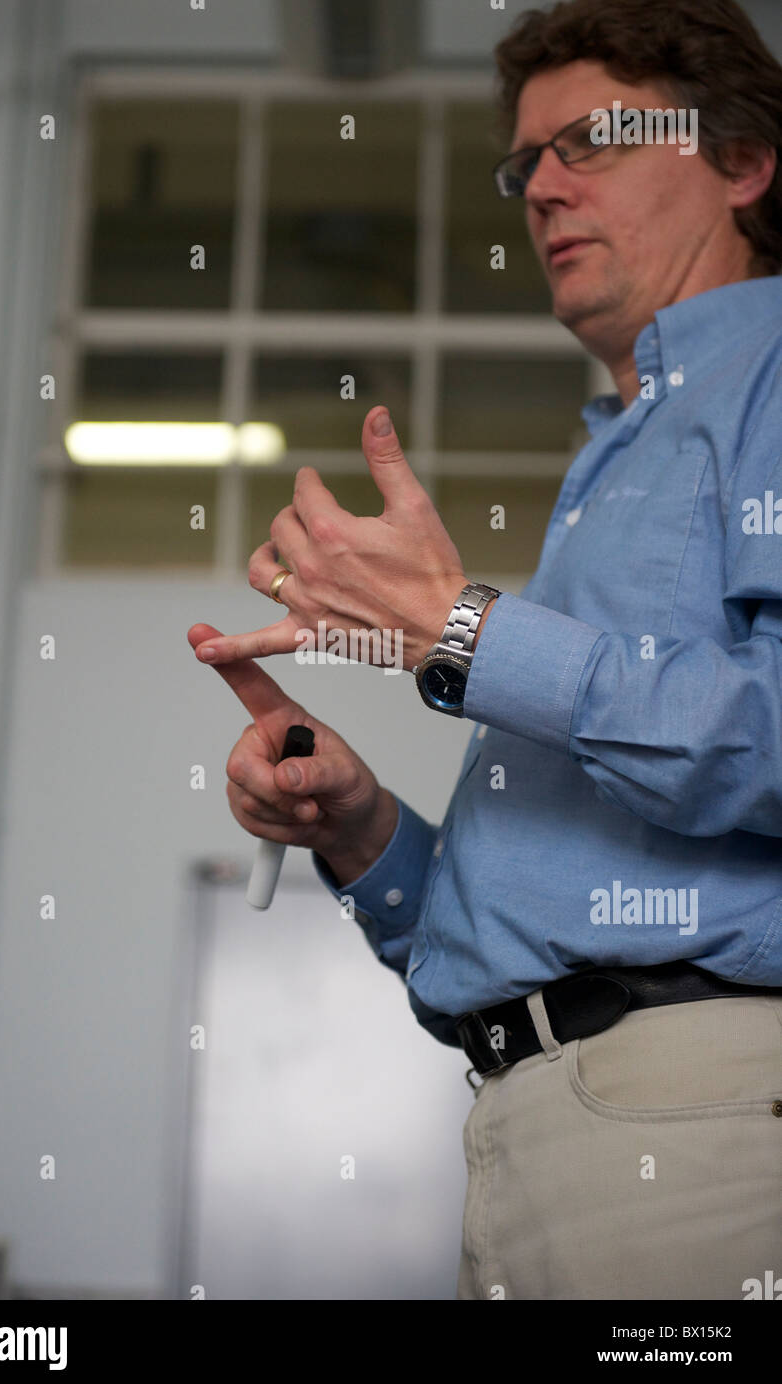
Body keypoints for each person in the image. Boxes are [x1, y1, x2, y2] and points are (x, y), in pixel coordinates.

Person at [187, 0, 782, 1300]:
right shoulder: (619, 452)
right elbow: (538, 912)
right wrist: (355, 830)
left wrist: (461, 630)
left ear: (741, 160)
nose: (542, 188)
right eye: (525, 164)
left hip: (699, 1125)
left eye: (596, 140)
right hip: (530, 1121)